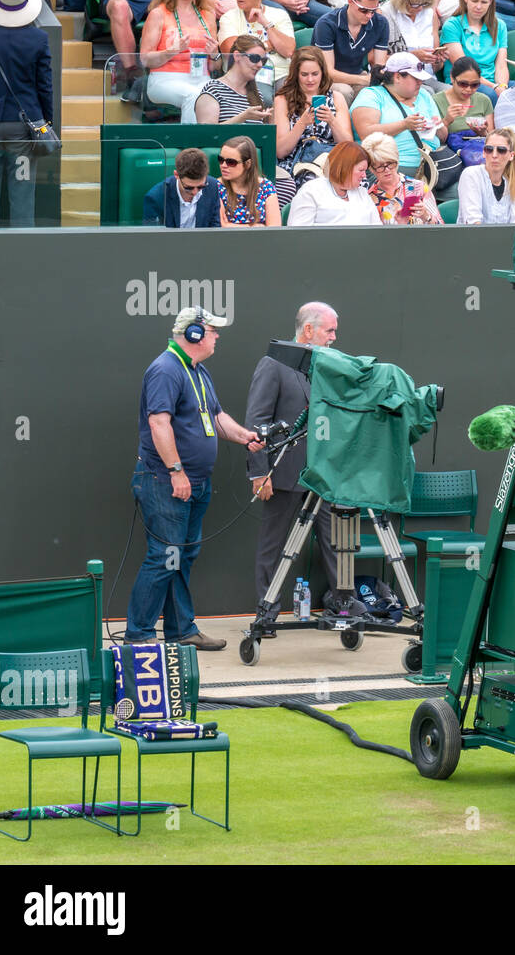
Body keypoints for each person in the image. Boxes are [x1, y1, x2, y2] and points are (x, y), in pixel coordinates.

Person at [125, 306, 265, 650]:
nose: (217, 336)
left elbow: (216, 417)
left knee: (181, 557)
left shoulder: (197, 371)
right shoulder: (165, 370)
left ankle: (181, 630)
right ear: (193, 334)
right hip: (166, 481)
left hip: (194, 482)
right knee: (164, 556)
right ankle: (138, 637)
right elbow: (159, 424)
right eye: (212, 330)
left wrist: (245, 436)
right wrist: (176, 472)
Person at [246, 302, 341, 616]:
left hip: (322, 477)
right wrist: (260, 473)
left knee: (337, 542)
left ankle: (343, 607)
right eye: (329, 330)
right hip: (283, 474)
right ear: (309, 330)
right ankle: (267, 611)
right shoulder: (273, 365)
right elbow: (256, 421)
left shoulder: (328, 367)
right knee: (273, 547)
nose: (333, 338)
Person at [0, 0, 53, 228]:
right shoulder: (39, 39)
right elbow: (45, 87)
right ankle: (23, 250)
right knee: (22, 191)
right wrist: (46, 122)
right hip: (23, 126)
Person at [273, 45, 355, 203]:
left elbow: (347, 145)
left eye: (315, 74)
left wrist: (332, 120)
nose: (310, 80)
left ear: (322, 73)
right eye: (304, 74)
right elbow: (281, 151)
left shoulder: (336, 97)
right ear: (296, 75)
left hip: (329, 159)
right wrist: (301, 123)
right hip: (298, 161)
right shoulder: (283, 100)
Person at [350, 51, 445, 174]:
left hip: (435, 165)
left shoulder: (424, 94)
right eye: (416, 78)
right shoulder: (371, 95)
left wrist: (439, 126)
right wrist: (404, 125)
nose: (420, 82)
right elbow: (366, 134)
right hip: (391, 169)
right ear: (398, 77)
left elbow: (443, 137)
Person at [139, 0, 219, 118]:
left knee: (221, 94)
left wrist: (214, 55)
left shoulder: (208, 15)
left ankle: (215, 136)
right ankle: (190, 137)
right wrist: (172, 51)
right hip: (165, 79)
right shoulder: (158, 14)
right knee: (194, 95)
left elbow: (214, 66)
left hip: (202, 77)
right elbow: (145, 59)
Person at [218, 0, 296, 105]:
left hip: (282, 73)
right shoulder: (229, 17)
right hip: (249, 74)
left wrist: (266, 23)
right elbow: (231, 50)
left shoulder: (279, 14)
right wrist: (268, 44)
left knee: (293, 98)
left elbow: (288, 50)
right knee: (264, 99)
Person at [313, 0, 390, 106]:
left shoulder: (381, 23)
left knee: (376, 91)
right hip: (324, 79)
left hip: (356, 74)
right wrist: (364, 79)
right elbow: (328, 73)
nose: (369, 15)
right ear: (350, 1)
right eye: (364, 10)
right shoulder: (326, 24)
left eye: (373, 11)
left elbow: (379, 67)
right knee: (344, 91)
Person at [287, 139, 382, 225]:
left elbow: (376, 230)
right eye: (361, 170)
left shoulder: (362, 193)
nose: (364, 175)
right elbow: (298, 234)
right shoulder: (311, 191)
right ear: (344, 168)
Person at [364, 130, 442, 223]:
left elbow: (440, 228)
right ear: (371, 169)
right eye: (380, 166)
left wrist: (426, 216)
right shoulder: (369, 198)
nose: (387, 170)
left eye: (390, 163)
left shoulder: (419, 187)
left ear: (397, 159)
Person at [440, 0, 508, 105]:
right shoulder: (452, 25)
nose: (479, 7)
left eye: (484, 2)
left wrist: (502, 87)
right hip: (464, 82)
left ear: (490, 2)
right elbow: (464, 68)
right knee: (490, 94)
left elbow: (501, 66)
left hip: (492, 82)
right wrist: (494, 87)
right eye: (475, 1)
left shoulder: (500, 26)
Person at [193, 35, 274, 124]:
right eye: (255, 58)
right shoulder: (214, 89)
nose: (260, 64)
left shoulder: (257, 95)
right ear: (237, 56)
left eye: (263, 60)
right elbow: (206, 134)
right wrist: (243, 117)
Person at [456, 126, 515, 223]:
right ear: (484, 152)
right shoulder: (471, 174)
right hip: (474, 237)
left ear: (511, 155)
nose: (494, 155)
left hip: (507, 238)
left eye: (501, 150)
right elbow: (474, 223)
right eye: (489, 149)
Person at [382, 0, 455, 90]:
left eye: (424, 3)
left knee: (454, 93)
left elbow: (436, 68)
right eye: (415, 4)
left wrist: (437, 59)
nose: (420, 8)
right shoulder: (386, 13)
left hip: (427, 78)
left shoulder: (430, 13)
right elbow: (377, 61)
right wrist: (413, 56)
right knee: (428, 92)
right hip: (400, 79)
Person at [143, 146, 222, 227]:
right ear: (176, 175)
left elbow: (215, 227)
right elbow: (152, 236)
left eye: (200, 187)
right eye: (189, 187)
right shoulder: (156, 197)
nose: (195, 192)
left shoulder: (212, 186)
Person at [217, 134, 282, 225]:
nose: (223, 165)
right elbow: (222, 227)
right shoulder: (215, 187)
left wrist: (230, 225)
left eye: (231, 162)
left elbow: (274, 229)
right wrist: (260, 227)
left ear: (248, 164)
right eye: (220, 159)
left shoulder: (266, 187)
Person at [433, 55, 493, 142]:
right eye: (463, 84)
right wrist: (446, 121)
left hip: (479, 149)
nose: (468, 89)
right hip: (451, 151)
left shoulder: (484, 100)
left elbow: (492, 140)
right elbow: (437, 141)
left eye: (474, 85)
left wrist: (483, 133)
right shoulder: (435, 101)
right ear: (452, 78)